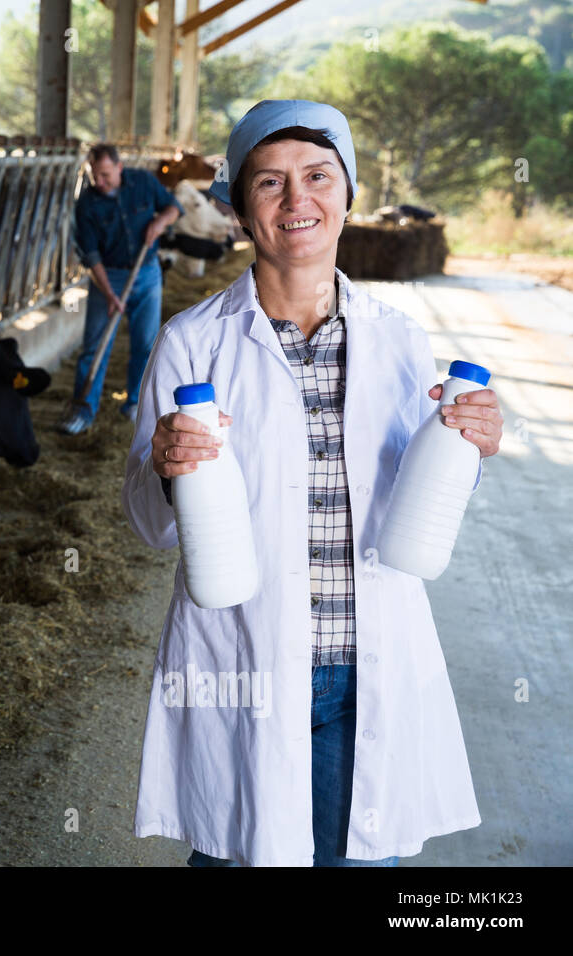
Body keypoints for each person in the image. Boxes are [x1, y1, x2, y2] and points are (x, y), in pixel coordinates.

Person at [121, 100, 503, 866]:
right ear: (238, 208)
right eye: (269, 183)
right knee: (241, 852)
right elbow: (151, 524)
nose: (298, 202)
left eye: (319, 177)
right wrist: (163, 469)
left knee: (357, 858)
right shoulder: (192, 343)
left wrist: (470, 444)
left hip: (368, 665)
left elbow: (422, 503)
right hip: (247, 660)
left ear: (349, 194)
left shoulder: (398, 340)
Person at [60, 144, 183, 435]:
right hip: (109, 277)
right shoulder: (87, 202)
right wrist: (109, 293)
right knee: (95, 346)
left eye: (105, 175)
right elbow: (90, 255)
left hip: (148, 271)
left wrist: (160, 222)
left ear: (119, 167)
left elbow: (173, 207)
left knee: (146, 343)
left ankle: (136, 405)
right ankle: (83, 409)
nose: (99, 182)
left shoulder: (143, 182)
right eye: (94, 176)